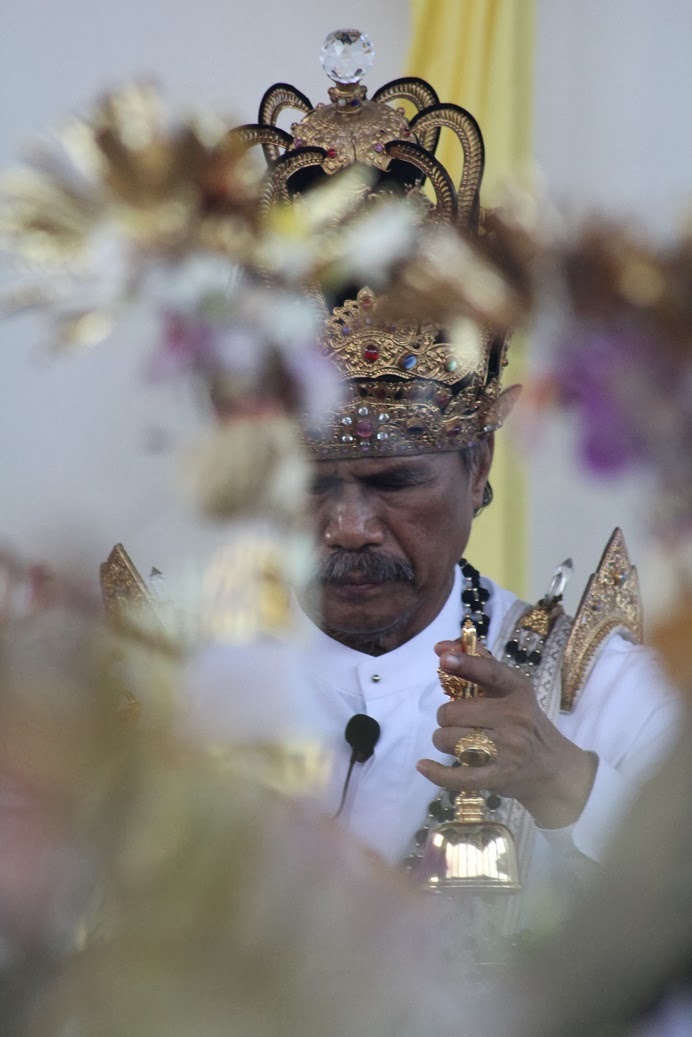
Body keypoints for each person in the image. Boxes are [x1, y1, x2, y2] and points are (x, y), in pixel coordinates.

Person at [102, 31, 682, 941]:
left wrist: (565, 782)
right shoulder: (160, 681)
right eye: (308, 486)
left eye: (394, 481)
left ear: (480, 465)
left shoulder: (588, 690)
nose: (349, 527)